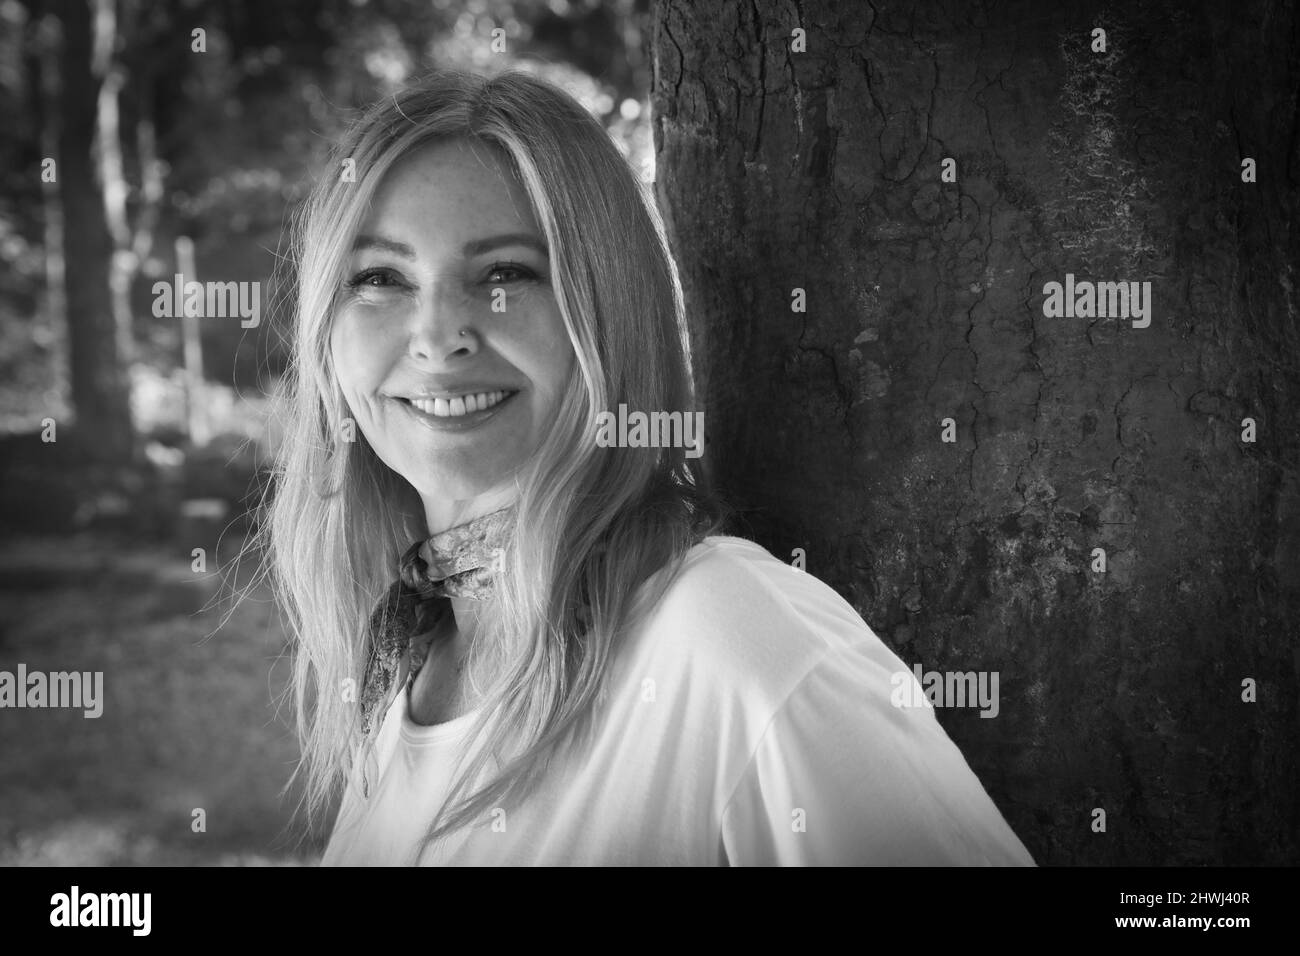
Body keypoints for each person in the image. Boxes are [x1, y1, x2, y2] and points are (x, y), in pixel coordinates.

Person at [265, 68, 1035, 866]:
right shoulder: (403, 670)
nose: (436, 335)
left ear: (608, 308)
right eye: (380, 278)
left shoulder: (733, 635)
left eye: (506, 274)